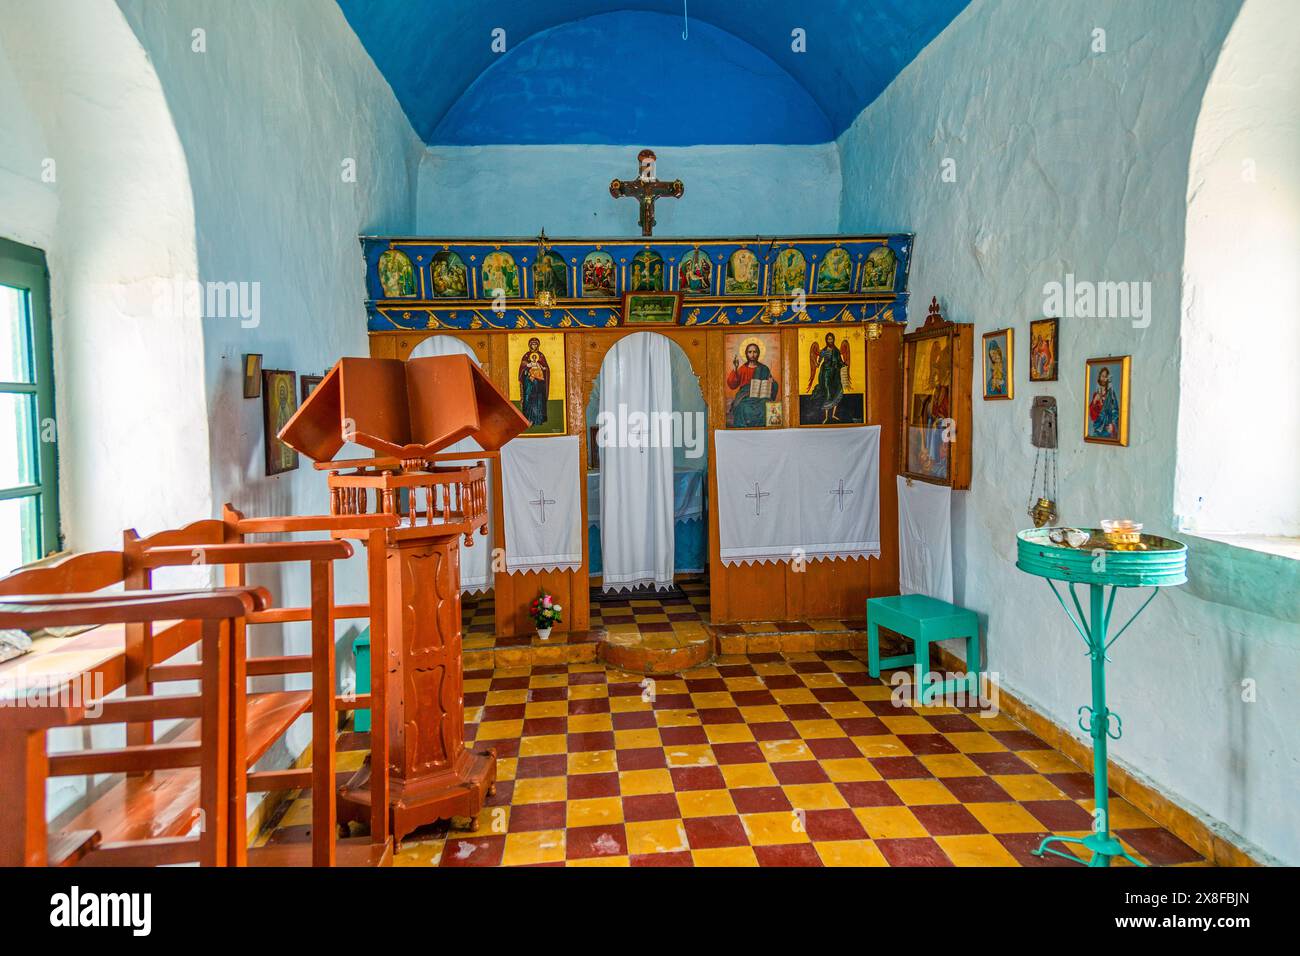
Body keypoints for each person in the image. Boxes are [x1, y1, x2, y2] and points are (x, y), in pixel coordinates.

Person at [726, 341, 777, 428]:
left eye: (755, 352)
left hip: (760, 397)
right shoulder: (742, 369)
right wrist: (735, 368)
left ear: (758, 353)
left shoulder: (764, 368)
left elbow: (772, 385)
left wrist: (772, 383)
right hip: (745, 396)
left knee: (765, 405)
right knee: (742, 406)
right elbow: (732, 384)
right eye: (750, 352)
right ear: (746, 354)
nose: (752, 355)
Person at [807, 332, 847, 423]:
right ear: (826, 340)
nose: (830, 341)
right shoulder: (823, 351)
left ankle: (833, 415)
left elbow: (840, 361)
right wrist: (816, 362)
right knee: (828, 393)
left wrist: (843, 364)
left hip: (835, 374)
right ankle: (826, 417)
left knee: (837, 390)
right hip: (826, 374)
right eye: (828, 339)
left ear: (833, 340)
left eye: (831, 339)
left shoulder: (836, 351)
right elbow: (818, 363)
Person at [517, 337, 550, 427]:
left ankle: (538, 419)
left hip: (539, 385)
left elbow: (546, 369)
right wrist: (527, 369)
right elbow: (522, 370)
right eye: (532, 344)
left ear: (538, 345)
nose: (534, 346)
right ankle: (528, 419)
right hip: (529, 384)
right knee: (528, 400)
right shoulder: (526, 356)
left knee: (538, 401)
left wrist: (543, 369)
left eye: (535, 344)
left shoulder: (541, 356)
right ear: (530, 345)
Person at [1089, 366, 1119, 438]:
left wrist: (1113, 425)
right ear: (1099, 377)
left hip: (1108, 429)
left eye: (1106, 377)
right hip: (1097, 429)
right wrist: (1094, 401)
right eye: (1102, 376)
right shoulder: (1096, 395)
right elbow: (1092, 415)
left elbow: (1115, 411)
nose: (1104, 379)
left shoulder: (1111, 393)